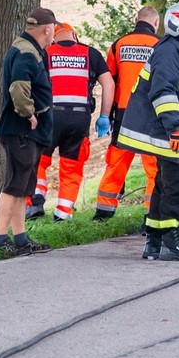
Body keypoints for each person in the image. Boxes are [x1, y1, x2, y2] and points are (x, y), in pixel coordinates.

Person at [114, 1, 179, 261]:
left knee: (163, 185)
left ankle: (154, 241)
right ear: (177, 28)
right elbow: (163, 93)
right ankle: (174, 242)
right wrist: (176, 130)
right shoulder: (170, 53)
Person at [27, 23, 114, 221]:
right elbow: (109, 83)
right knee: (72, 166)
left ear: (54, 37)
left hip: (49, 116)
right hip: (79, 119)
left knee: (38, 159)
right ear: (74, 36)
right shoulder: (90, 54)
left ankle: (36, 199)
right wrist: (104, 116)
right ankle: (63, 214)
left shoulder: (44, 53)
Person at [0, 8, 57, 257]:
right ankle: (0, 240)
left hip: (26, 133)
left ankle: (20, 239)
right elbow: (19, 87)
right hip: (21, 131)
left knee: (22, 187)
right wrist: (28, 113)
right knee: (13, 186)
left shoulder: (28, 49)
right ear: (47, 29)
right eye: (54, 29)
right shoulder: (27, 52)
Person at [93, 7, 161, 221]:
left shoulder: (119, 45)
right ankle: (152, 214)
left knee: (117, 163)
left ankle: (103, 213)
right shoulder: (160, 46)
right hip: (151, 114)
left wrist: (107, 115)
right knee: (153, 167)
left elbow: (109, 81)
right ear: (156, 23)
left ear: (136, 20)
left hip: (124, 114)